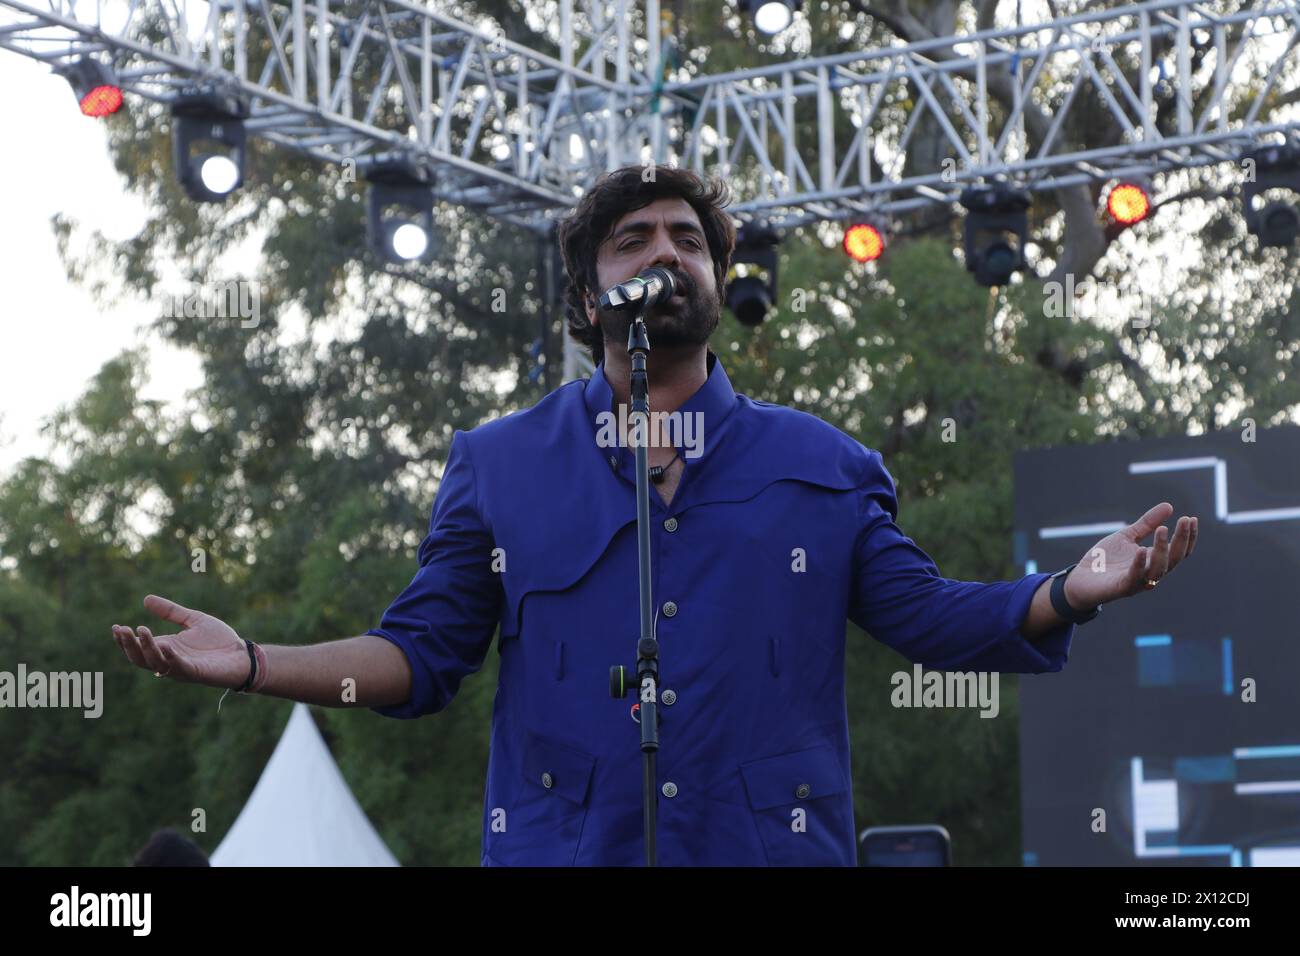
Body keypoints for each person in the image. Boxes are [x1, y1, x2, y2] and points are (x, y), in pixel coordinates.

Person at [111, 165, 1198, 866]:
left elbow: (929, 617)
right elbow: (418, 656)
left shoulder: (821, 462)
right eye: (633, 240)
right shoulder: (498, 464)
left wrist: (1064, 591)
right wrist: (255, 659)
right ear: (589, 299)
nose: (667, 252)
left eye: (688, 238)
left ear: (717, 280)